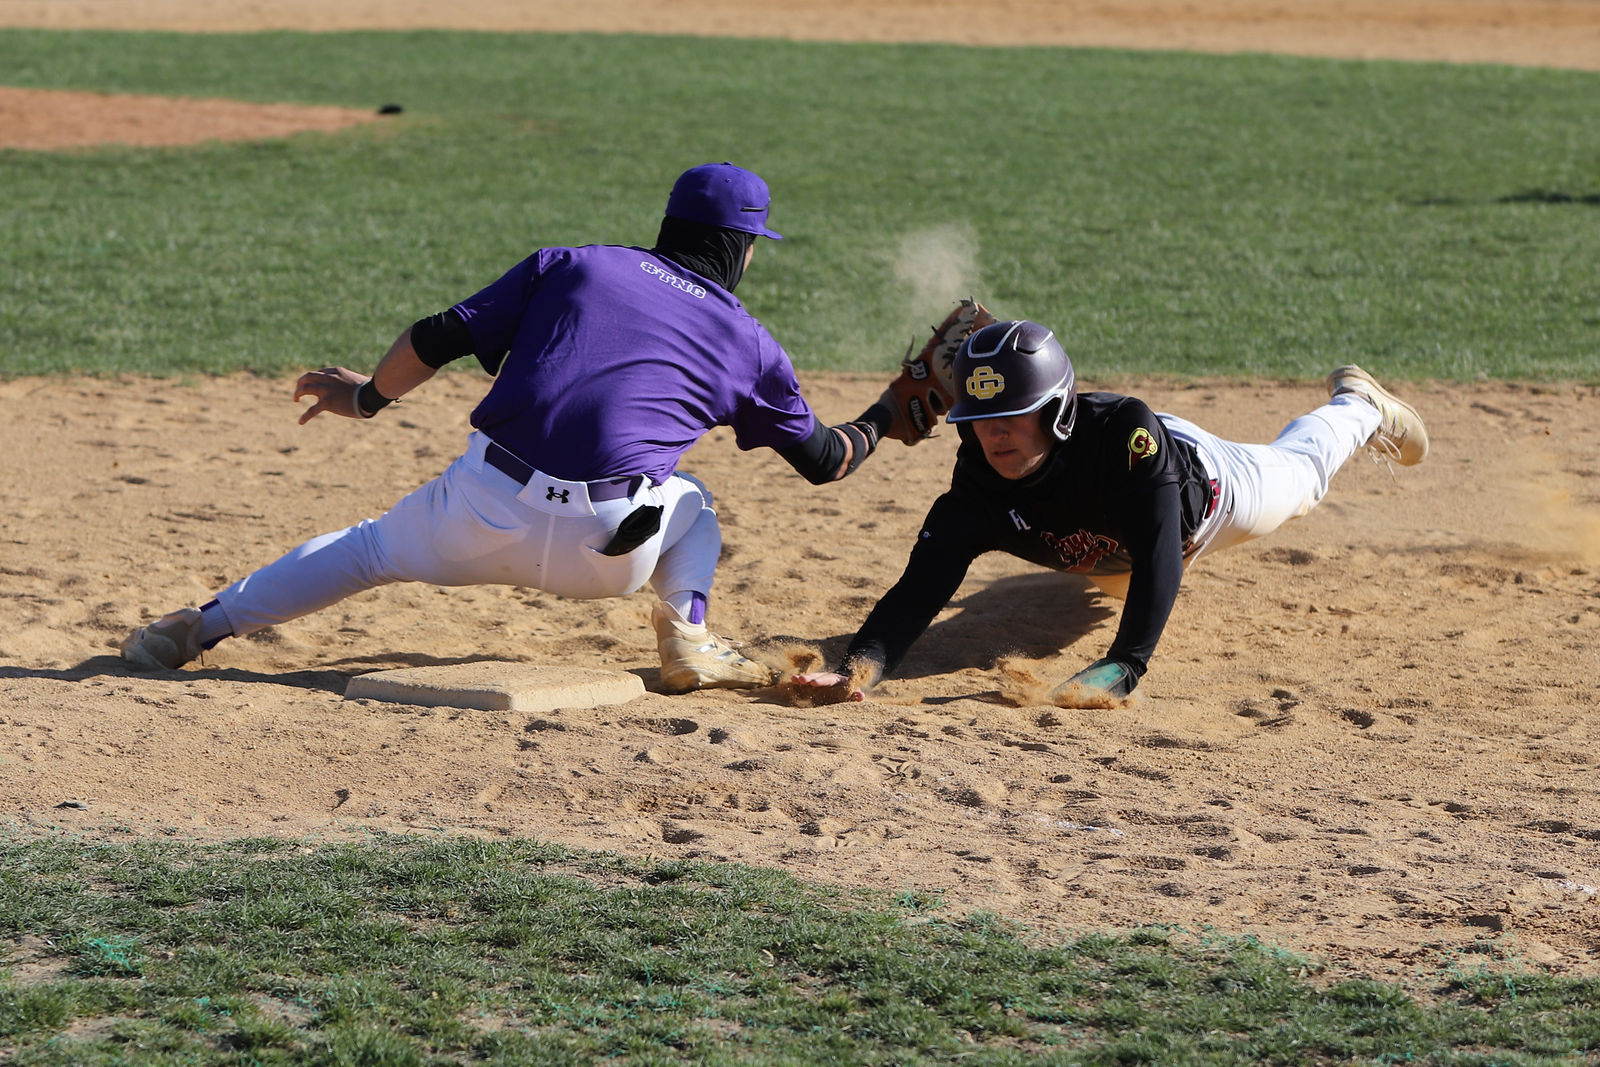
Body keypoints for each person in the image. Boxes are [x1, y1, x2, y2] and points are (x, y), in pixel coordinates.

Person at [121, 162, 894, 693]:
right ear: (742, 246)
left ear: (671, 225)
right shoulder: (749, 339)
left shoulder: (577, 264)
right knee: (692, 502)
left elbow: (435, 336)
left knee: (365, 550)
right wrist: (888, 415)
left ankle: (197, 629)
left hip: (476, 513)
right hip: (610, 551)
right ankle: (687, 629)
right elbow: (826, 460)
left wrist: (367, 400)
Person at [793, 318, 1428, 704]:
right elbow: (919, 588)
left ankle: (1359, 405)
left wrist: (1126, 663)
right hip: (1098, 545)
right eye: (980, 418)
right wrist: (858, 668)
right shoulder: (977, 486)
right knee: (1103, 578)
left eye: (1013, 415)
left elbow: (1159, 548)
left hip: (1202, 493)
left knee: (1301, 482)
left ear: (1054, 411)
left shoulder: (1126, 436)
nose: (995, 436)